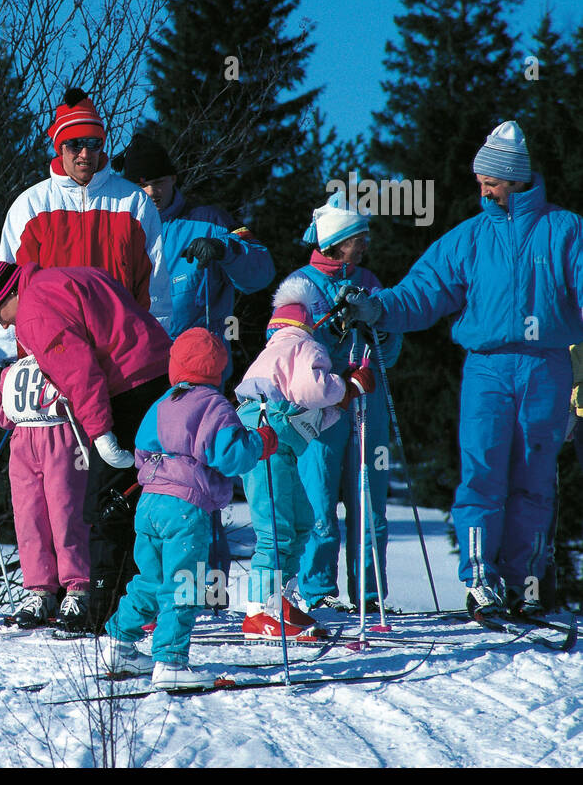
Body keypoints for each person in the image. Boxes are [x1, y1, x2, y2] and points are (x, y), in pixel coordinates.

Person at [344, 121, 583, 620]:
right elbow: (423, 291)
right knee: (483, 473)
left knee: (535, 478)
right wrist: (378, 308)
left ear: (515, 178)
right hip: (487, 370)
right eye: (479, 180)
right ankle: (481, 580)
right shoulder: (469, 238)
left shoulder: (565, 230)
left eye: (489, 180)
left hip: (547, 368)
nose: (482, 188)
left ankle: (527, 582)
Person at [0, 245, 172, 630]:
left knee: (101, 508)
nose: (5, 326)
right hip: (155, 369)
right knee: (132, 500)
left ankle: (101, 607)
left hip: (129, 387)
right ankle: (109, 598)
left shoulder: (34, 309)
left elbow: (80, 373)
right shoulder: (65, 276)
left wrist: (101, 433)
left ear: (8, 294)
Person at [99, 328, 277, 690]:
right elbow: (230, 456)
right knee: (186, 584)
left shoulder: (164, 402)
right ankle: (170, 661)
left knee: (151, 579)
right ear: (219, 371)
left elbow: (141, 451)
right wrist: (259, 442)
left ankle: (118, 643)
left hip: (149, 503)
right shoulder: (213, 405)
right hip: (185, 508)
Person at [278, 192, 401, 613]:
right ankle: (319, 592)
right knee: (319, 504)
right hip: (322, 410)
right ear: (336, 242)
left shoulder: (370, 282)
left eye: (365, 238)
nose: (365, 246)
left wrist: (375, 326)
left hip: (368, 406)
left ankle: (369, 596)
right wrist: (330, 328)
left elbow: (393, 342)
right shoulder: (299, 285)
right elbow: (284, 349)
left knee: (370, 505)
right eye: (358, 239)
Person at [233, 287, 370, 639]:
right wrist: (348, 384)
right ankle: (258, 611)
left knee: (299, 522)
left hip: (275, 447)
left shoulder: (274, 350)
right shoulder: (301, 346)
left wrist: (343, 392)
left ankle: (280, 600)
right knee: (276, 528)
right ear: (307, 323)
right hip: (267, 445)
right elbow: (316, 390)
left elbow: (309, 410)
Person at [0, 87, 162, 362]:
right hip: (48, 361)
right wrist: (13, 360)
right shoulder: (30, 206)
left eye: (94, 144)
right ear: (60, 148)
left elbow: (154, 286)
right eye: (75, 144)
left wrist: (155, 350)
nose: (85, 153)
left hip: (121, 360)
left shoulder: (132, 202)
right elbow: (2, 292)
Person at [113, 135, 275, 383]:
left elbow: (262, 273)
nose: (151, 193)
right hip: (135, 375)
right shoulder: (118, 234)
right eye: (142, 186)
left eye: (159, 182)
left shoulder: (209, 223)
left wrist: (224, 249)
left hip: (197, 374)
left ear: (173, 179)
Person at [0, 341, 92, 631]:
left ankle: (78, 588)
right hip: (24, 444)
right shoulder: (13, 368)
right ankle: (40, 589)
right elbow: (5, 415)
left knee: (66, 514)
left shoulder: (63, 351)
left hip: (63, 437)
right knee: (29, 518)